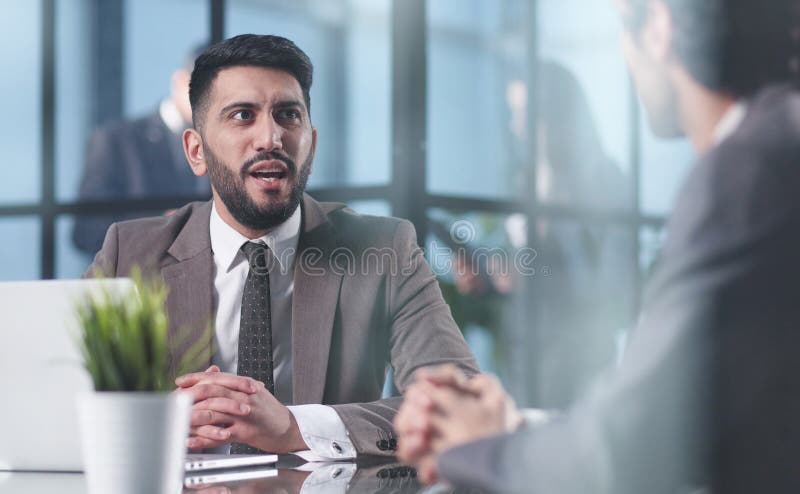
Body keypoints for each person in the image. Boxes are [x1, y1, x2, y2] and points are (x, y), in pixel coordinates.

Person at [394, 0, 800, 492]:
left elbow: (626, 448)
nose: (517, 127)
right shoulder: (777, 144)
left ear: (658, 25)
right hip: (540, 370)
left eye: (526, 113)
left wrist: (477, 444)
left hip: (573, 369)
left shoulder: (750, 170)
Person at [85, 34, 478, 459]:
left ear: (311, 143)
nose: (270, 137)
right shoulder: (130, 253)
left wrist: (294, 426)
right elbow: (54, 396)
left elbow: (461, 408)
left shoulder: (384, 250)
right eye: (242, 115)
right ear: (196, 151)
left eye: (287, 115)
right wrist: (160, 420)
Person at [72, 45, 211, 256]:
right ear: (179, 81)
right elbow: (86, 232)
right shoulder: (117, 140)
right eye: (206, 91)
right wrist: (161, 226)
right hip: (140, 283)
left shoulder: (227, 141)